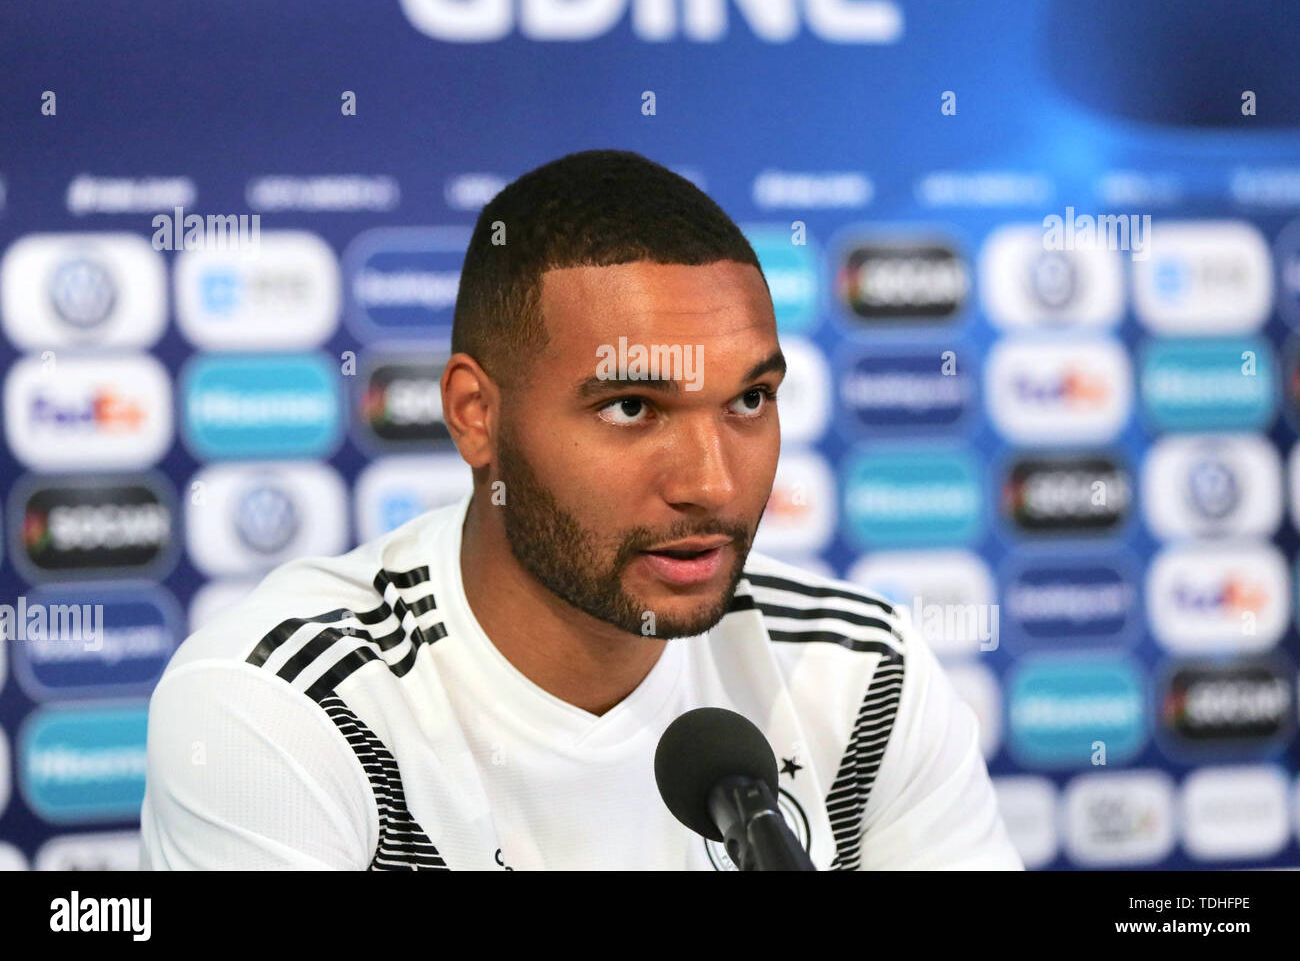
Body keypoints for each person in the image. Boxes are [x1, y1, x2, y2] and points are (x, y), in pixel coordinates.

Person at [140, 149, 1022, 870]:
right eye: (632, 408)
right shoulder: (289, 704)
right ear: (475, 416)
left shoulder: (861, 672)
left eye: (748, 401)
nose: (712, 484)